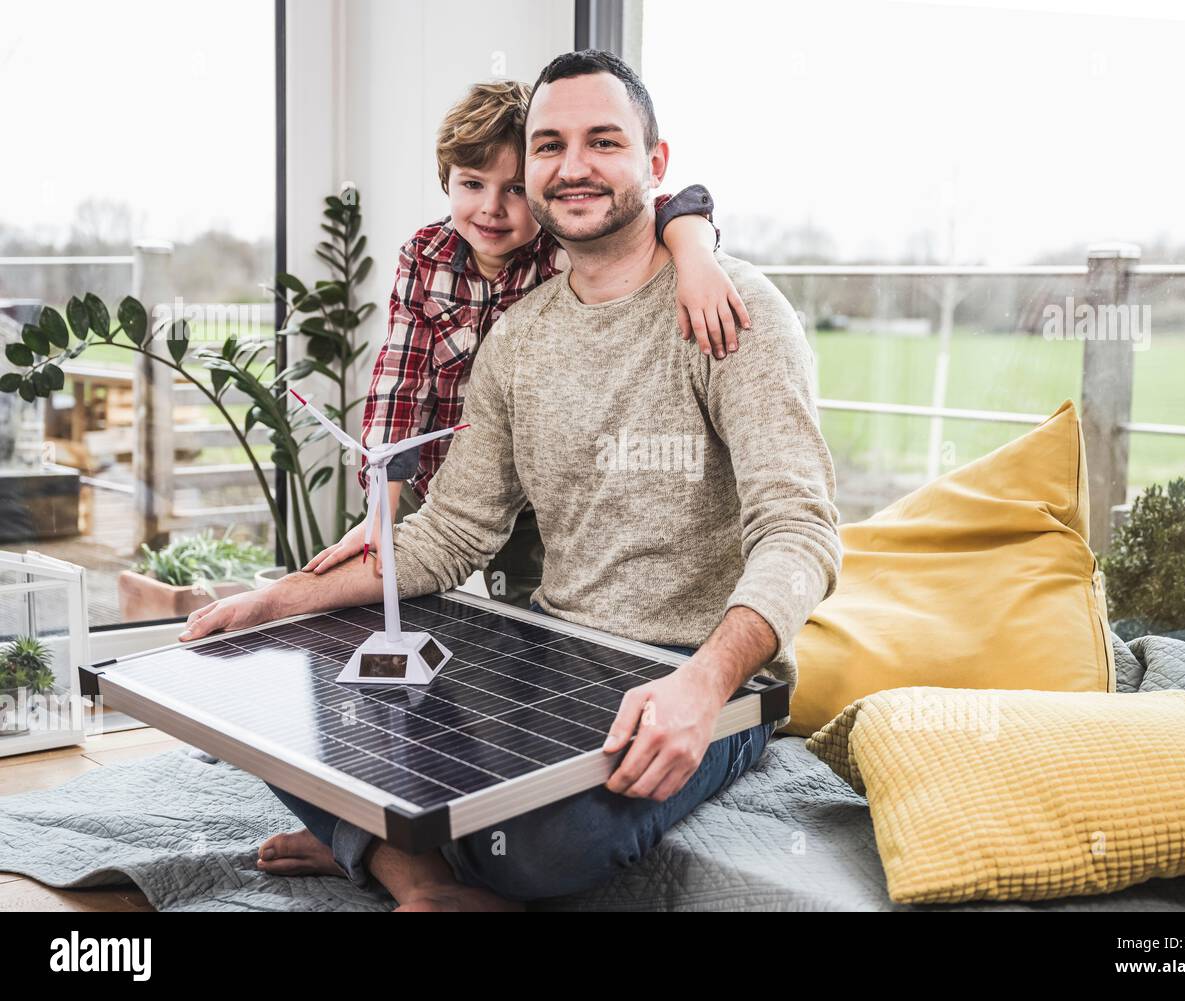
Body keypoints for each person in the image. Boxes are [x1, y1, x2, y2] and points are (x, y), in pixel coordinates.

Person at [180, 49, 842, 912]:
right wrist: (274, 601)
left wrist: (705, 684)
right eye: (550, 145)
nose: (573, 166)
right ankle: (409, 869)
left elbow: (802, 530)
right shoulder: (519, 339)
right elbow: (451, 532)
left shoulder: (731, 309)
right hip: (556, 647)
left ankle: (375, 843)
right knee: (288, 706)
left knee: (543, 844)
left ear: (655, 163)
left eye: (603, 141)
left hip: (703, 677)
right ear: (529, 171)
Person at [303, 80, 748, 610]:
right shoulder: (424, 258)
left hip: (539, 496)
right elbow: (400, 384)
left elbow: (678, 203)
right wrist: (380, 510)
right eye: (471, 184)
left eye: (515, 189)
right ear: (445, 183)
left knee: (525, 607)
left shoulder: (561, 250)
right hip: (434, 480)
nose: (491, 209)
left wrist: (696, 257)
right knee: (397, 589)